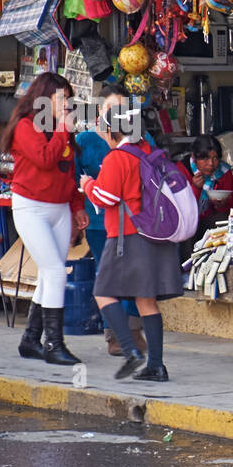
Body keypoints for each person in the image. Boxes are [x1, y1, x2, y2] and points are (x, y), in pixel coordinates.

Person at [81, 95, 184, 382]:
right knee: (146, 301)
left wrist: (88, 185)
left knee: (103, 293)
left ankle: (131, 351)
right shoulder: (146, 151)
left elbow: (106, 196)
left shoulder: (118, 157)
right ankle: (157, 365)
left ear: (113, 132)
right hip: (154, 234)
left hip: (126, 236)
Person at [5, 72, 88, 365]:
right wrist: (65, 131)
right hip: (31, 207)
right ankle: (54, 345)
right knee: (54, 272)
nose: (67, 104)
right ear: (43, 98)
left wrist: (78, 206)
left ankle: (30, 339)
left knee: (48, 273)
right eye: (61, 98)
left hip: (60, 208)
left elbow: (68, 170)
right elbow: (45, 159)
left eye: (69, 98)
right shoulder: (26, 127)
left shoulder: (60, 128)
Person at [75, 85, 146, 357]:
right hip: (98, 223)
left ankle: (133, 331)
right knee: (106, 278)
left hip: (133, 223)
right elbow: (74, 180)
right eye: (110, 109)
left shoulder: (139, 137)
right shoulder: (84, 140)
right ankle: (114, 335)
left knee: (132, 276)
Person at [178, 135, 233, 259]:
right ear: (194, 157)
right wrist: (195, 188)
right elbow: (180, 207)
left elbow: (230, 208)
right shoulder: (181, 170)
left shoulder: (224, 172)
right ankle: (188, 265)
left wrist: (221, 205)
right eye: (205, 159)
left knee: (224, 220)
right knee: (186, 226)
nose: (211, 164)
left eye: (215, 158)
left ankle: (218, 261)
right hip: (188, 220)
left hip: (209, 218)